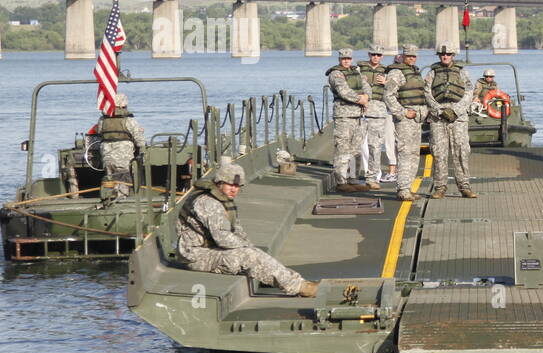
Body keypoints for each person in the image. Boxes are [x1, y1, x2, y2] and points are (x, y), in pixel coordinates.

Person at [177, 157, 318, 298]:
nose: (234, 189)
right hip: (195, 256)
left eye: (237, 186)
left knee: (254, 253)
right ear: (219, 183)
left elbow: (237, 230)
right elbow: (223, 238)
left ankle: (296, 282)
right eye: (230, 185)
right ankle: (300, 287)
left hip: (209, 250)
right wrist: (247, 248)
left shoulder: (224, 201)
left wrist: (249, 246)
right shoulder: (208, 203)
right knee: (248, 256)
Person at [425, 45, 476, 199]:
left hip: (458, 117)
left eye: (448, 54)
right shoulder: (432, 73)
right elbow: (427, 93)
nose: (445, 56)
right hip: (438, 117)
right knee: (439, 152)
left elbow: (469, 92)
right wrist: (440, 110)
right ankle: (440, 187)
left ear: (453, 55)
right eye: (442, 54)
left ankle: (464, 186)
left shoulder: (462, 72)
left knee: (461, 151)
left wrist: (456, 110)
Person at [384, 45, 430, 201]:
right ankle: (403, 189)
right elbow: (389, 96)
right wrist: (403, 112)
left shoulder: (415, 72)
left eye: (414, 56)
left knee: (414, 154)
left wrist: (424, 112)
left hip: (417, 119)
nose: (411, 58)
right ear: (403, 56)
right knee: (404, 153)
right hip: (405, 119)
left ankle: (408, 187)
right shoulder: (396, 73)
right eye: (408, 56)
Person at [326, 48, 375, 192]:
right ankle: (341, 181)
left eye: (348, 58)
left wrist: (367, 97)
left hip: (358, 116)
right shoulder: (336, 74)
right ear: (339, 59)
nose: (346, 61)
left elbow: (367, 88)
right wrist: (361, 99)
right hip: (344, 116)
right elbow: (344, 92)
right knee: (343, 148)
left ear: (351, 59)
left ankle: (353, 179)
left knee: (355, 149)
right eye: (343, 59)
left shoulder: (357, 72)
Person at [97, 91, 146, 201]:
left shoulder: (102, 120)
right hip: (123, 154)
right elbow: (139, 140)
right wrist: (142, 148)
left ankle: (109, 198)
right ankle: (122, 199)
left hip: (106, 154)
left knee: (109, 177)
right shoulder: (129, 120)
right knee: (123, 178)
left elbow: (99, 132)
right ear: (123, 105)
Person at [358, 48, 391, 185]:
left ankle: (375, 175)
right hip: (361, 110)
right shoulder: (358, 70)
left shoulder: (387, 71)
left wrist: (386, 83)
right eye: (373, 54)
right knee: (360, 144)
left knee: (376, 145)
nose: (376, 57)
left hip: (378, 111)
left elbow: (396, 89)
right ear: (369, 55)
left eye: (378, 55)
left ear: (382, 56)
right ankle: (366, 172)